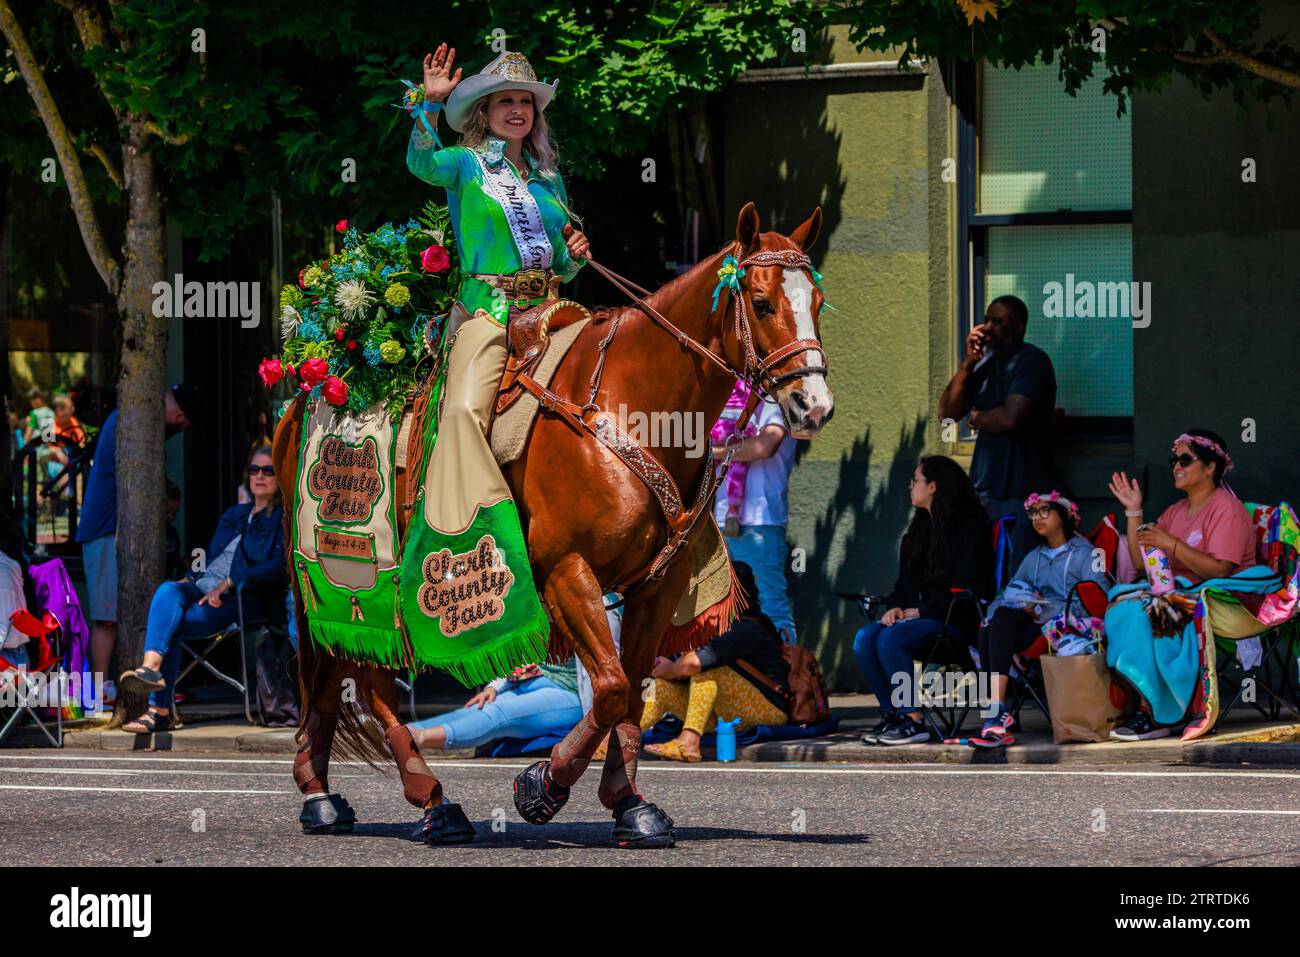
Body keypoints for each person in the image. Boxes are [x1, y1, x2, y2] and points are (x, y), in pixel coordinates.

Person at [399, 43, 589, 660]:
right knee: (461, 413)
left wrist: (574, 253)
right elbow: (420, 163)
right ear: (484, 110)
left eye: (526, 103)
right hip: (489, 311)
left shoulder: (549, 180)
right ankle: (479, 535)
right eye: (505, 101)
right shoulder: (464, 166)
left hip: (550, 308)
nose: (517, 110)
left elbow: (559, 260)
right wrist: (427, 106)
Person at [116, 446, 284, 733]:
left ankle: (159, 710)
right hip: (204, 587)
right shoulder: (236, 514)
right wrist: (191, 577)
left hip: (242, 597)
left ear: (280, 477)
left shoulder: (280, 518)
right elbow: (211, 554)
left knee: (176, 625)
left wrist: (229, 583)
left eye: (268, 471)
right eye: (254, 470)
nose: (260, 476)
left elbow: (278, 565)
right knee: (169, 590)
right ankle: (150, 668)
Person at [1104, 429, 1256, 740]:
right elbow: (1138, 562)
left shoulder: (1227, 509)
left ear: (1210, 467)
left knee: (1149, 613)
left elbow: (1221, 569)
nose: (1176, 466)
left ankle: (1159, 713)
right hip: (1182, 596)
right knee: (1124, 607)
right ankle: (1157, 707)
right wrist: (1134, 511)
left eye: (1185, 460)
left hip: (1222, 599)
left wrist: (1171, 544)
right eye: (1174, 460)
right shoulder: (1176, 512)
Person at [854, 455, 994, 745]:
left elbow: (970, 588)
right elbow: (904, 584)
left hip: (955, 624)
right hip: (919, 623)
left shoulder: (970, 529)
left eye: (915, 480)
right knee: (866, 637)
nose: (910, 486)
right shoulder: (917, 531)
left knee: (890, 639)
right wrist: (894, 607)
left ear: (933, 486)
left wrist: (919, 611)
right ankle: (893, 715)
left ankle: (913, 720)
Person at [75, 385, 195, 709]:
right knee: (106, 616)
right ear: (180, 415)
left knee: (117, 613)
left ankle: (111, 687)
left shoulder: (131, 416)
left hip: (113, 531)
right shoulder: (134, 419)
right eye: (183, 425)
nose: (179, 430)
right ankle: (95, 693)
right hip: (104, 531)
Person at [970, 492, 1108, 747]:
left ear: (1066, 515)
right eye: (1033, 513)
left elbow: (1098, 601)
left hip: (1065, 630)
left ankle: (996, 714)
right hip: (1032, 630)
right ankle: (998, 712)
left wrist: (1041, 611)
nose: (1037, 518)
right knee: (993, 623)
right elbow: (1007, 592)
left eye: (1045, 511)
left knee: (996, 631)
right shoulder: (1034, 556)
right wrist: (996, 613)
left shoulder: (1088, 553)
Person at [405, 597, 622, 752]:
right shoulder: (545, 596)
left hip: (572, 694)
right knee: (475, 708)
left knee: (499, 713)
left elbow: (608, 667)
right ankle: (402, 735)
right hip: (535, 679)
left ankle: (421, 739)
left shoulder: (602, 604)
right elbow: (523, 649)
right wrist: (494, 686)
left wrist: (601, 724)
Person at [938, 295, 1058, 569]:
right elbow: (947, 413)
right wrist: (967, 364)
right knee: (980, 569)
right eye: (987, 320)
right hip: (985, 490)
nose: (988, 327)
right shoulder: (982, 365)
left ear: (1019, 327)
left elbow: (1010, 417)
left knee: (1016, 575)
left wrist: (976, 418)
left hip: (1023, 490)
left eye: (998, 322)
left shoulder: (1032, 362)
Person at [639, 562, 791, 762]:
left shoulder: (749, 627)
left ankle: (690, 742)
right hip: (721, 712)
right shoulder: (718, 626)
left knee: (707, 671)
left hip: (770, 709)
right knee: (658, 688)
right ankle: (616, 741)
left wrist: (672, 668)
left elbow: (695, 664)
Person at [710, 385, 799, 641]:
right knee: (727, 614)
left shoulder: (777, 397)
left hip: (762, 522)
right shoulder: (731, 396)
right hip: (724, 522)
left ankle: (787, 677)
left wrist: (712, 452)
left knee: (772, 610)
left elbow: (765, 445)